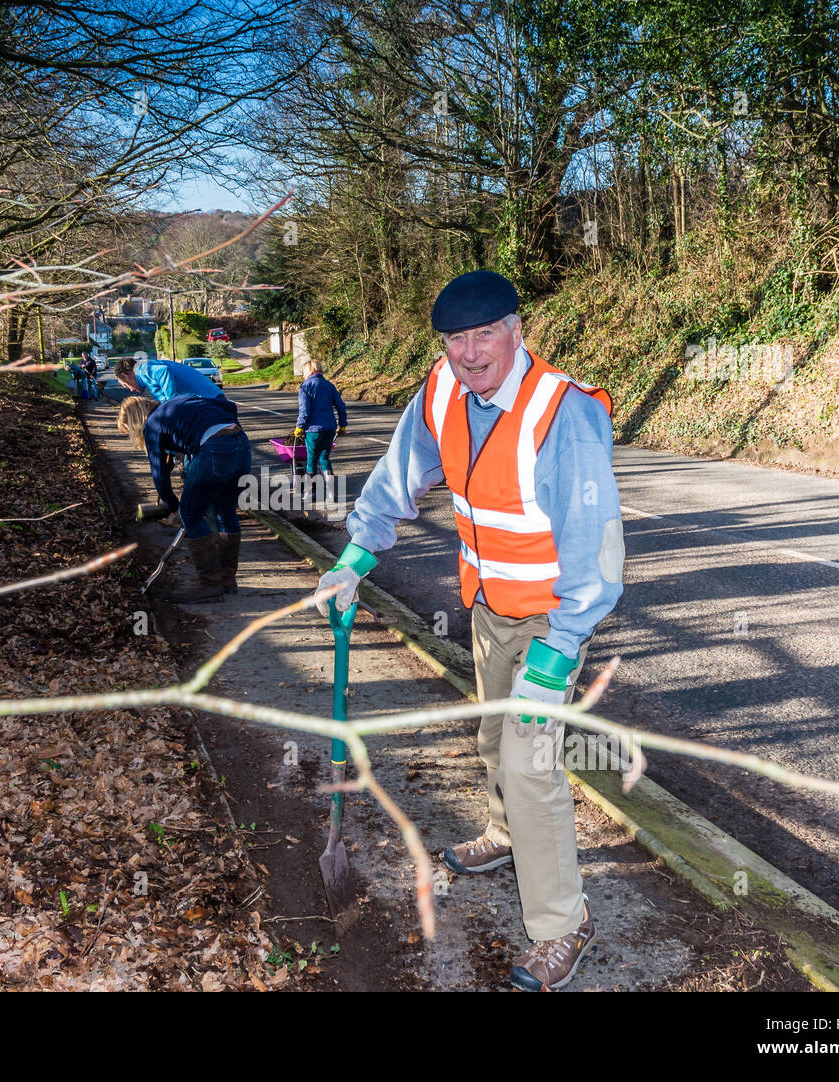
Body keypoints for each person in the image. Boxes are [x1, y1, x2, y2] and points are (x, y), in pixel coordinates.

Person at [314, 269, 625, 992]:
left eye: (485, 334)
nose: (470, 352)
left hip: (554, 619)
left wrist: (561, 649)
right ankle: (506, 835)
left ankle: (562, 923)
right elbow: (397, 480)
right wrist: (355, 560)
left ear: (518, 331)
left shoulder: (562, 412)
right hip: (489, 607)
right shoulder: (442, 392)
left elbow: (596, 549)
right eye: (455, 338)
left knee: (528, 762)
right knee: (493, 739)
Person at [117, 394, 250, 600]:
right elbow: (229, 405)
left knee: (190, 514)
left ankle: (210, 586)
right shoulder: (178, 403)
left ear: (135, 420)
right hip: (241, 444)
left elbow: (159, 474)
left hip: (215, 450)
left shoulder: (152, 424)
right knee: (226, 512)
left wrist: (172, 506)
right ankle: (227, 580)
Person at [293, 359, 347, 494]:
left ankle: (308, 493)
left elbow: (304, 411)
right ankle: (330, 493)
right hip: (329, 428)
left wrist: (299, 427)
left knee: (311, 459)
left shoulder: (305, 386)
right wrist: (343, 425)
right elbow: (341, 406)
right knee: (325, 458)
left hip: (313, 430)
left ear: (307, 371)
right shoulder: (329, 385)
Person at [115, 356, 226, 402]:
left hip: (210, 399)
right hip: (211, 397)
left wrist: (171, 402)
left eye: (126, 385)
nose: (130, 389)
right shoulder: (146, 373)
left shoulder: (143, 370)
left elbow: (164, 371)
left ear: (126, 376)